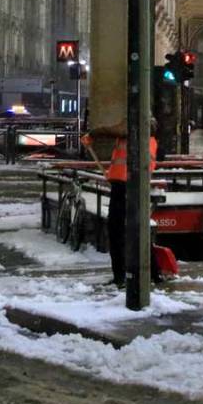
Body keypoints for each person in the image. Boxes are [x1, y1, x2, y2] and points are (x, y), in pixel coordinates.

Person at [83, 120, 158, 289]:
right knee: (137, 230)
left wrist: (93, 133)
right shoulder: (141, 133)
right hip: (129, 185)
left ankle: (122, 276)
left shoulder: (138, 126)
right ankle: (151, 273)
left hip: (126, 186)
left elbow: (119, 130)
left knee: (118, 231)